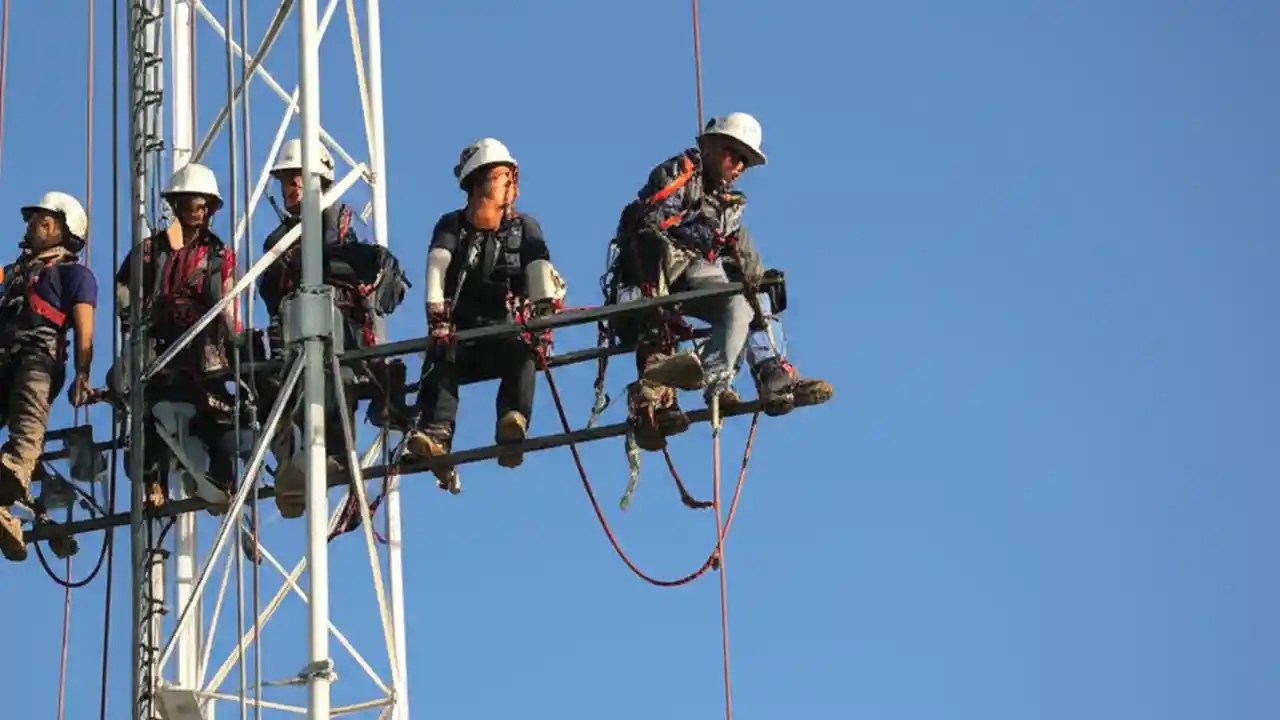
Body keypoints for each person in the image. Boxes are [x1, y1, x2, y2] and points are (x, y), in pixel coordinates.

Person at [609, 112, 832, 449]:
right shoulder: (679, 173)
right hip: (655, 270)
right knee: (662, 314)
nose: (738, 167)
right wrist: (700, 227)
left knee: (748, 296)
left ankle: (761, 372)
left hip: (695, 271)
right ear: (709, 145)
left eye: (745, 162)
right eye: (733, 154)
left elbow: (740, 260)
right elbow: (655, 220)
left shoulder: (728, 208)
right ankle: (660, 393)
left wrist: (760, 285)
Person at [403, 138, 564, 491]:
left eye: (510, 176)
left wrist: (542, 316)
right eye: (501, 175)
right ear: (477, 183)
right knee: (440, 357)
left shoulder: (524, 228)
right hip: (461, 333)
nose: (509, 183)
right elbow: (437, 265)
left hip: (504, 332)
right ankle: (436, 435)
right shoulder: (452, 226)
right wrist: (436, 316)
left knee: (524, 355)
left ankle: (512, 423)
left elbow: (538, 268)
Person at [259, 138, 407, 517]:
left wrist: (362, 268)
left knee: (333, 374)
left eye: (298, 178)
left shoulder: (343, 227)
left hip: (342, 337)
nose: (292, 187)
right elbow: (270, 292)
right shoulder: (278, 242)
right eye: (286, 180)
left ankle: (334, 455)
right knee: (271, 382)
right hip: (293, 336)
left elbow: (372, 276)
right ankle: (292, 462)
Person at [114, 162, 243, 512]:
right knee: (150, 408)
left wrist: (234, 342)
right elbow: (124, 287)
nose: (196, 212)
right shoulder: (150, 250)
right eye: (189, 204)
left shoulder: (219, 255)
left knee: (212, 407)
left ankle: (219, 478)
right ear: (176, 206)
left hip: (203, 340)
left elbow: (229, 303)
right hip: (159, 338)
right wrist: (133, 317)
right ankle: (153, 482)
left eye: (202, 205)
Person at [0, 191, 97, 561]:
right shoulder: (12, 274)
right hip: (4, 357)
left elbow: (84, 329)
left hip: (38, 359)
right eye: (32, 223)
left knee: (27, 428)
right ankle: (10, 511)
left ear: (64, 231)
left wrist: (82, 373)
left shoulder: (74, 275)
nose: (32, 229)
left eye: (42, 222)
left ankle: (15, 476)